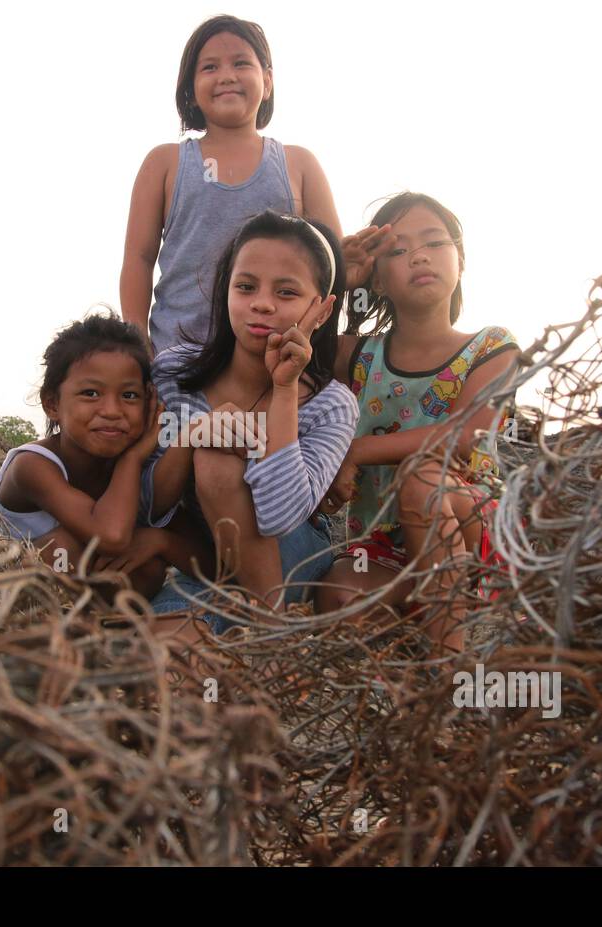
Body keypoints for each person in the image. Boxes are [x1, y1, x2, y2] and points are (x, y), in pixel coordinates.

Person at [319, 193, 520, 651]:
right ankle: (430, 612)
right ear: (379, 280)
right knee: (339, 595)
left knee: (422, 479)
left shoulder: (492, 347)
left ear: (460, 259)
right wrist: (340, 278)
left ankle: (449, 665)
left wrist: (357, 451)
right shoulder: (357, 356)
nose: (420, 256)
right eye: (397, 250)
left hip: (470, 531)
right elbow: (293, 340)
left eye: (434, 242)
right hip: (387, 549)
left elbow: (466, 436)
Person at [147, 211, 357, 635]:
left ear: (322, 308)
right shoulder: (173, 373)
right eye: (246, 287)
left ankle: (273, 633)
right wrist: (189, 438)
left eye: (286, 291)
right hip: (203, 560)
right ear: (227, 290)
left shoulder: (333, 404)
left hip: (287, 560)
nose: (262, 303)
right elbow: (151, 507)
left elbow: (281, 515)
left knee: (220, 453)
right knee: (171, 659)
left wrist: (284, 389)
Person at [120, 13, 342, 356]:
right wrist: (138, 350)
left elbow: (332, 260)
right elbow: (139, 258)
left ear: (267, 81)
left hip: (273, 362)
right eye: (209, 68)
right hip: (180, 359)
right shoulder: (164, 163)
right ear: (190, 89)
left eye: (241, 63)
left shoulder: (299, 164)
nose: (226, 76)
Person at [0, 312, 209, 598]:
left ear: (150, 405)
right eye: (91, 393)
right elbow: (111, 537)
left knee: (148, 565)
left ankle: (102, 628)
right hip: (13, 598)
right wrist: (132, 460)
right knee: (64, 545)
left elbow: (213, 567)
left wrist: (162, 542)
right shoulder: (32, 465)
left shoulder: (135, 472)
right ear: (52, 403)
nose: (111, 411)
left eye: (129, 396)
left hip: (97, 612)